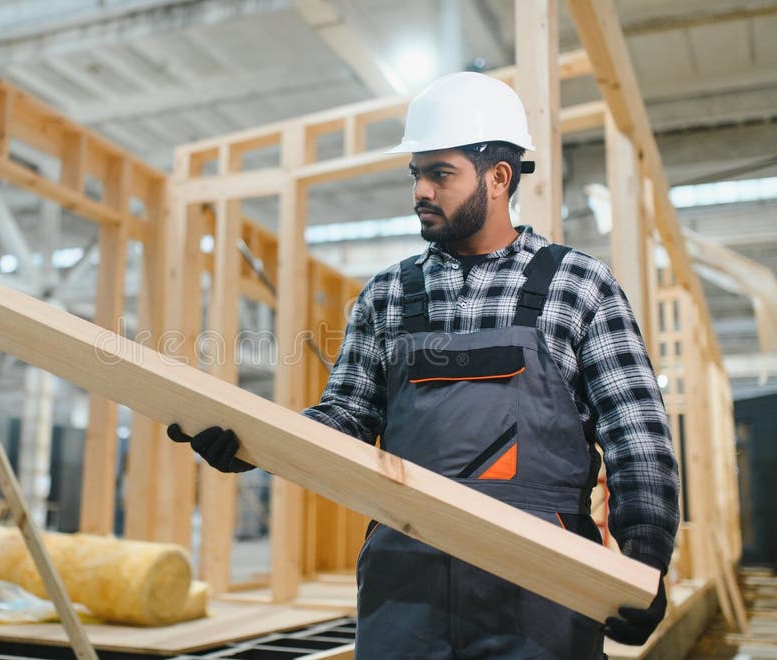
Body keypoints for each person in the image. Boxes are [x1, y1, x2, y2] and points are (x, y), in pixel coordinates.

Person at [167, 71, 679, 659]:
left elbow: (637, 438)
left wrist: (644, 566)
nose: (421, 191)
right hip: (403, 588)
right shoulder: (387, 294)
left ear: (499, 177)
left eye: (441, 174)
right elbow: (346, 416)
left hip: (542, 587)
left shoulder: (578, 285)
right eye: (417, 174)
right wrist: (254, 442)